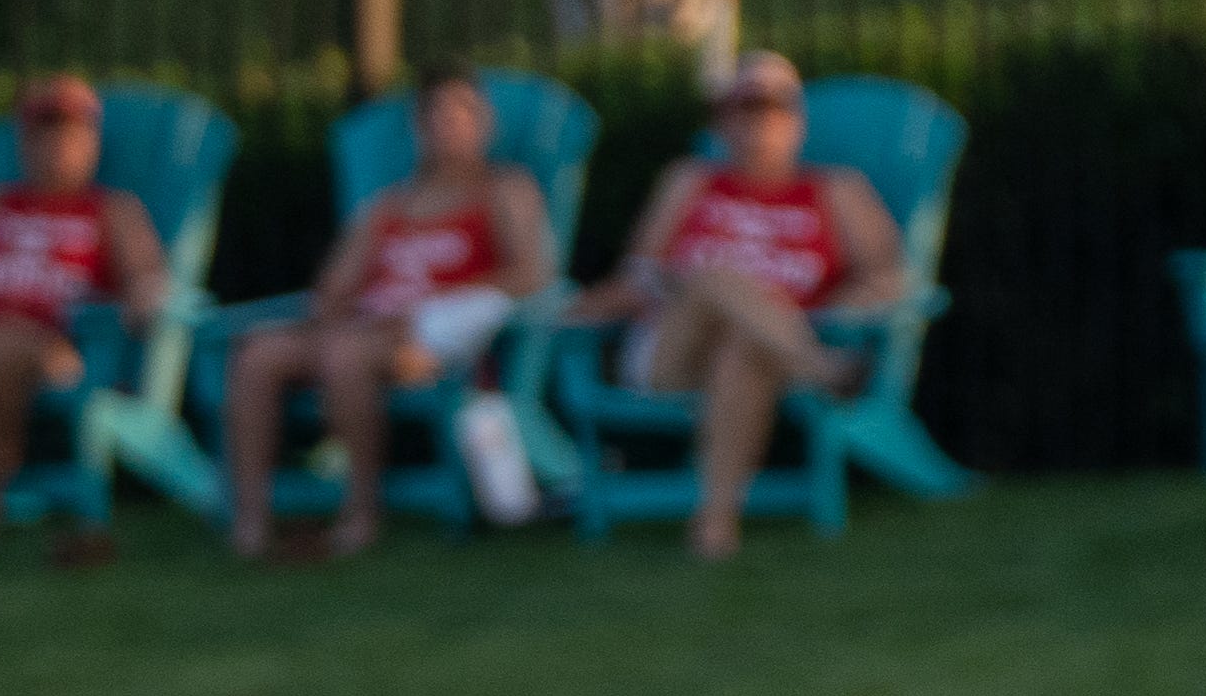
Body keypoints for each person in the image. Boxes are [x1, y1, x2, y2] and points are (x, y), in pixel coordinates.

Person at [573, 50, 908, 561]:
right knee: (713, 276)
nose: (762, 120)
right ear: (723, 121)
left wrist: (850, 303)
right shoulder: (690, 182)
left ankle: (714, 526)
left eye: (778, 106)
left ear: (798, 120)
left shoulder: (835, 191)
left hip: (767, 355)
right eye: (745, 106)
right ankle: (822, 368)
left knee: (744, 349)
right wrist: (571, 310)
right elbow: (638, 275)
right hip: (671, 352)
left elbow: (889, 275)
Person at [226, 67, 559, 563]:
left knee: (345, 356)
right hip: (366, 327)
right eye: (436, 113)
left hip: (438, 343)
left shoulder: (504, 189)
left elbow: (529, 273)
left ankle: (359, 512)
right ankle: (251, 520)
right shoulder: (389, 207)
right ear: (418, 127)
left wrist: (430, 306)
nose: (448, 124)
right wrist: (330, 309)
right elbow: (336, 287)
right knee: (257, 355)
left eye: (462, 112)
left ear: (485, 124)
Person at [0, 74, 176, 552]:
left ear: (92, 143)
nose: (56, 145)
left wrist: (146, 296)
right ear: (24, 143)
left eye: (70, 133)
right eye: (43, 134)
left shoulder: (112, 210)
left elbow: (148, 275)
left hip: (58, 348)